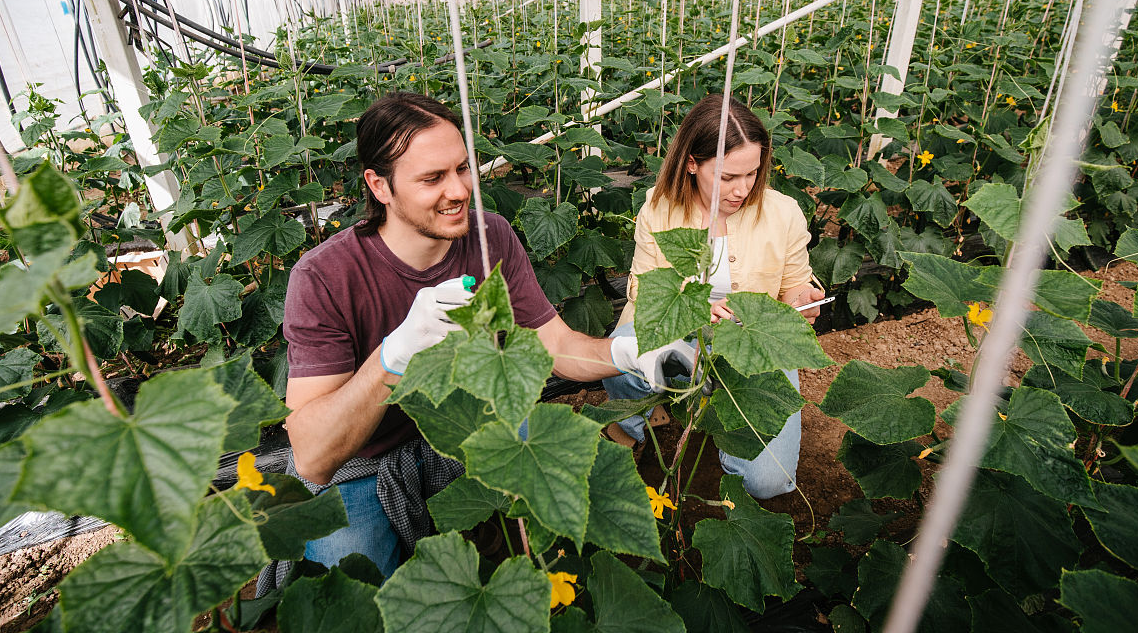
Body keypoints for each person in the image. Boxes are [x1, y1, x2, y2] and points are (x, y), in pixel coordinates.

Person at [281, 91, 683, 577]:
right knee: (357, 588)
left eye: (462, 168)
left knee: (567, 498)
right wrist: (396, 354)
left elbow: (553, 346)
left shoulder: (489, 237)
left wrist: (628, 353)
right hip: (361, 461)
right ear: (379, 185)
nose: (458, 190)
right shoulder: (324, 276)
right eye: (432, 178)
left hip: (474, 427)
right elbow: (313, 455)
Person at [604, 93, 826, 500]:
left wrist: (801, 300)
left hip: (753, 347)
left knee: (767, 483)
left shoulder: (783, 212)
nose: (742, 190)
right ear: (692, 163)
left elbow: (796, 283)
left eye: (752, 173)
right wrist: (690, 303)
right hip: (680, 336)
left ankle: (722, 419)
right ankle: (639, 418)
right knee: (619, 351)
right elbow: (641, 287)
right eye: (726, 177)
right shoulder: (660, 207)